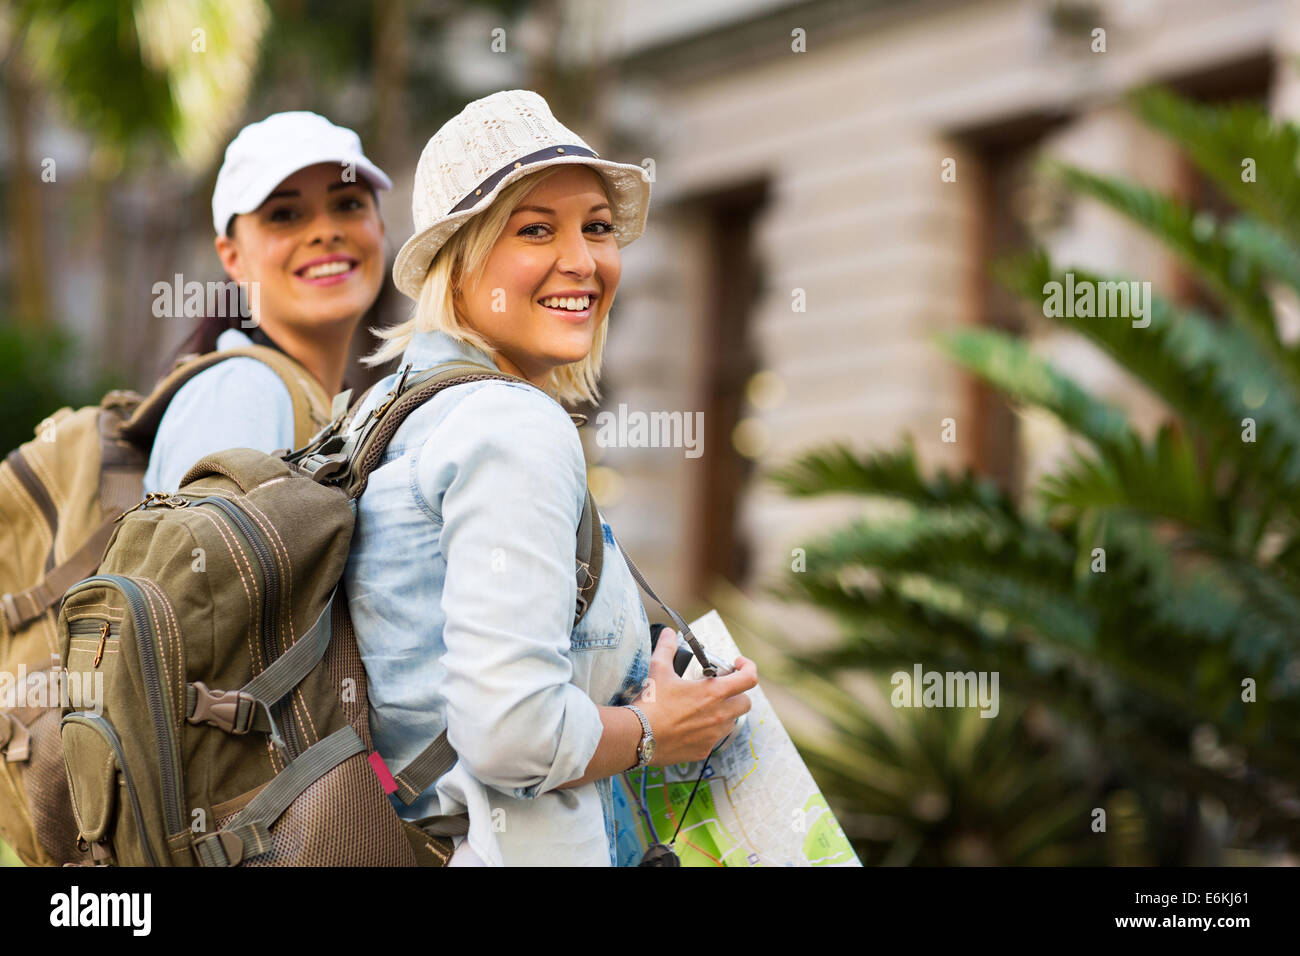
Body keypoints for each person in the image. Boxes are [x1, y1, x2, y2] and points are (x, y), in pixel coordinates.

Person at [344, 89, 758, 867]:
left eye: (597, 228)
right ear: (456, 264)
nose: (584, 261)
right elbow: (510, 731)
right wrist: (657, 732)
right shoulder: (509, 428)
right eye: (536, 229)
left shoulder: (383, 413)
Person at [143, 111, 391, 494]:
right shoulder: (239, 394)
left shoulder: (325, 402)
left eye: (348, 204)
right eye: (285, 214)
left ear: (380, 227)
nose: (326, 232)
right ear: (232, 258)